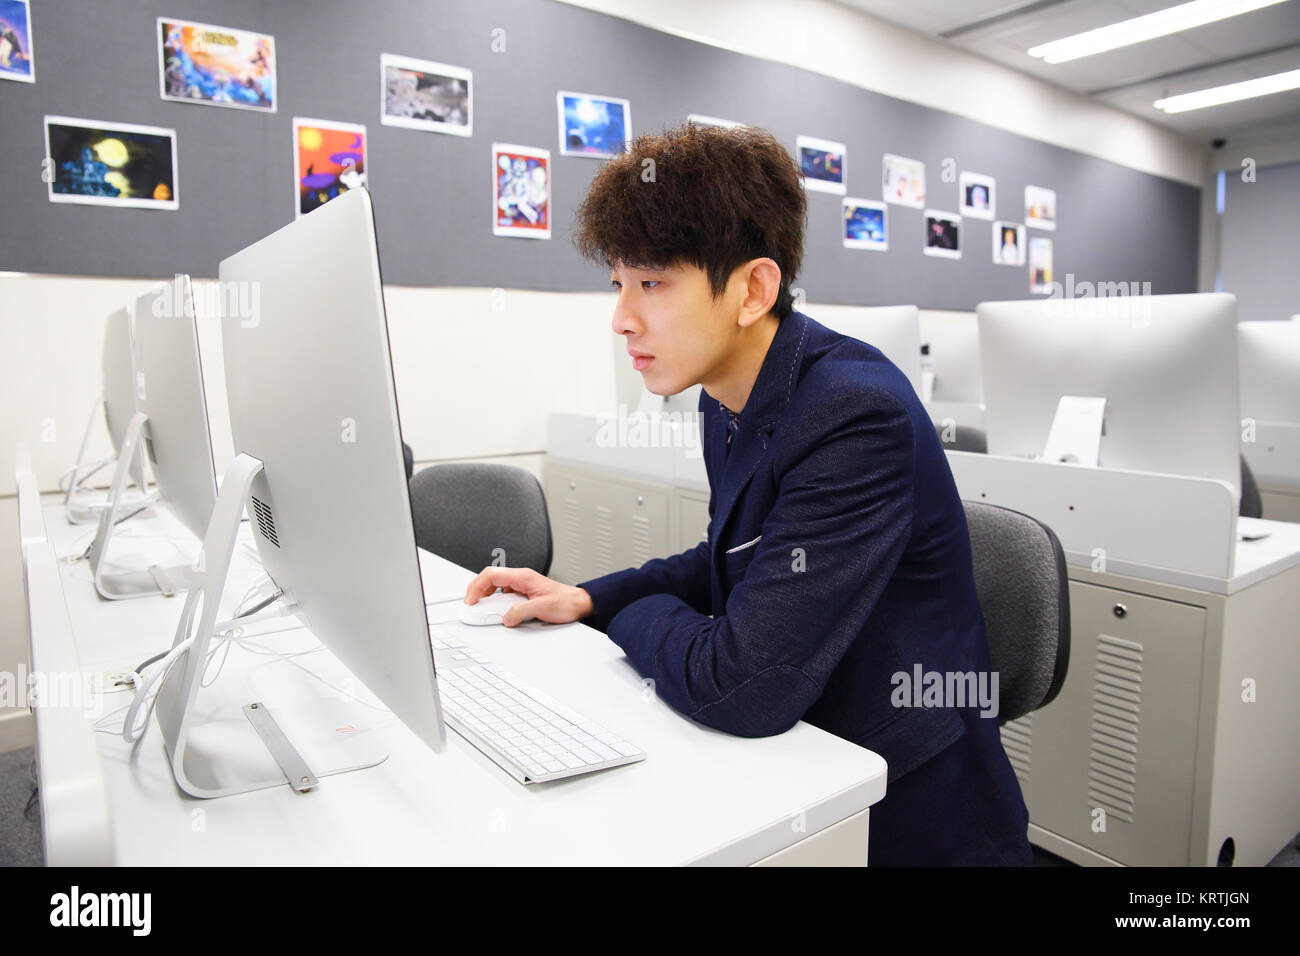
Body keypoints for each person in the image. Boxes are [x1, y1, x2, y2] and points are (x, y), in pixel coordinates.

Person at [463, 123, 1032, 866]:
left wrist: (635, 615)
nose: (621, 318)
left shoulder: (855, 414)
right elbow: (730, 554)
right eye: (619, 283)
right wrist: (591, 599)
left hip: (909, 810)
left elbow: (743, 687)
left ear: (753, 289)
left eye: (653, 282)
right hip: (799, 764)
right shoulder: (727, 395)